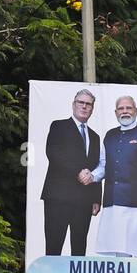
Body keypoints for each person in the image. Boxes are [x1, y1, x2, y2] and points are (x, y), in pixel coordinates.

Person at [83, 96, 137, 260]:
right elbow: (104, 166)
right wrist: (92, 176)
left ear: (136, 110)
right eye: (121, 109)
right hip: (112, 205)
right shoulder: (109, 135)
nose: (125, 111)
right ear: (116, 112)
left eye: (128, 108)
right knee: (116, 258)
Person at [40, 89, 102, 256]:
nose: (84, 106)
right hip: (58, 198)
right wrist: (78, 172)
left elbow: (97, 166)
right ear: (73, 105)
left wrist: (97, 198)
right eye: (80, 102)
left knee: (79, 251)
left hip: (84, 200)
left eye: (88, 104)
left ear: (92, 109)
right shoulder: (58, 126)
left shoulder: (95, 137)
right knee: (53, 248)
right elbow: (53, 154)